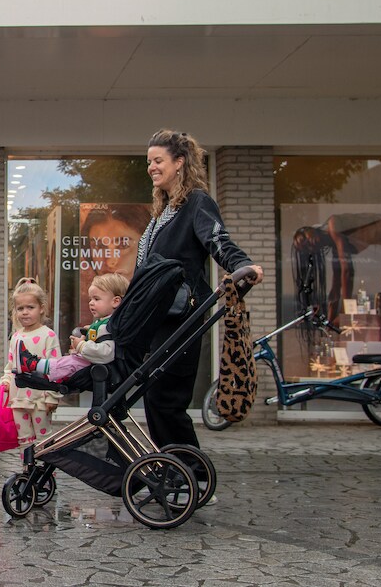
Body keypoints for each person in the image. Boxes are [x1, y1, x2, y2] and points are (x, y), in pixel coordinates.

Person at [136, 129, 263, 448]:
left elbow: (217, 241)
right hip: (157, 317)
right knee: (153, 396)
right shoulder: (162, 212)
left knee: (168, 399)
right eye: (149, 161)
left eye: (158, 160)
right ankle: (171, 470)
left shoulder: (196, 203)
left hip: (181, 315)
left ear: (179, 162)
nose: (151, 166)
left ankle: (191, 473)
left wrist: (243, 265)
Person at [30, 273, 129, 383]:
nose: (91, 303)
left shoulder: (108, 327)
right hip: (91, 363)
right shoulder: (104, 322)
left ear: (115, 301)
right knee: (67, 361)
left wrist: (81, 345)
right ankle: (43, 368)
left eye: (96, 299)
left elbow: (106, 353)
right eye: (90, 299)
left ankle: (36, 366)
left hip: (98, 367)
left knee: (71, 362)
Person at [0, 278, 62, 446]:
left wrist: (52, 396)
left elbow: (56, 368)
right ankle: (27, 470)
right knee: (24, 438)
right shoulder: (16, 336)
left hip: (40, 398)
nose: (25, 312)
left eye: (30, 307)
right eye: (20, 308)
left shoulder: (48, 335)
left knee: (43, 437)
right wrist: (6, 381)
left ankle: (45, 471)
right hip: (18, 398)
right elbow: (11, 365)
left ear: (41, 308)